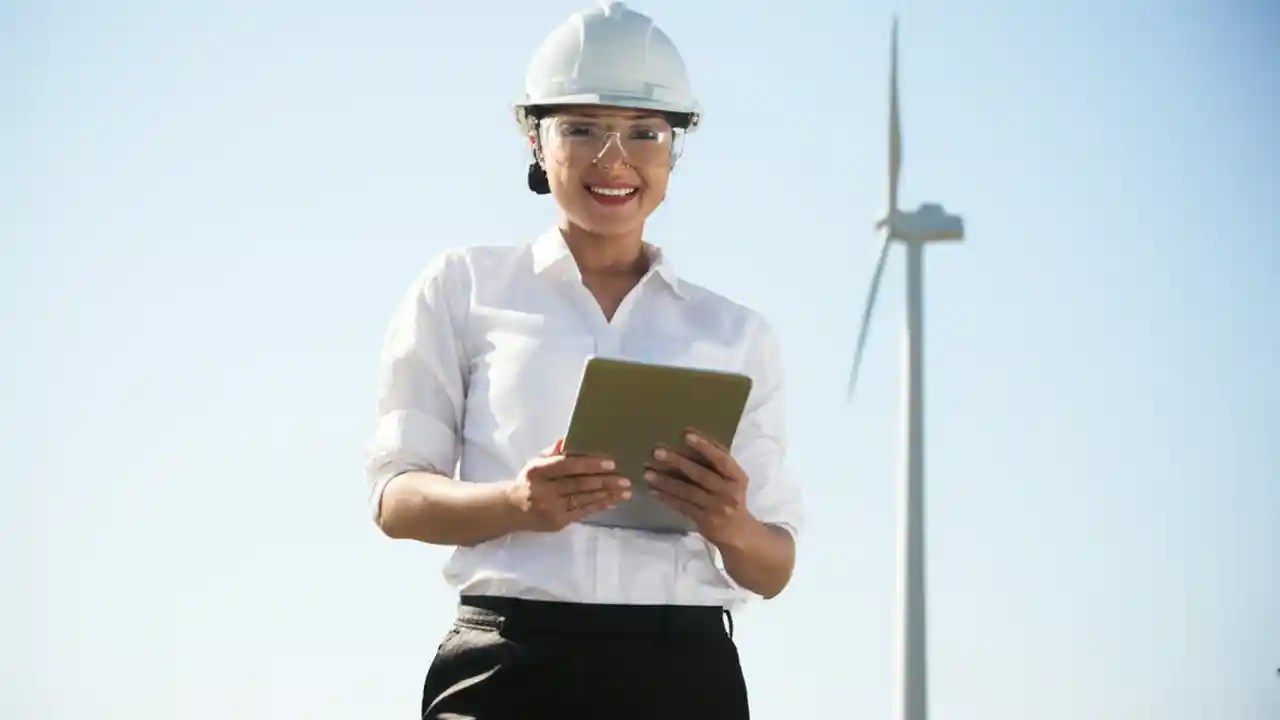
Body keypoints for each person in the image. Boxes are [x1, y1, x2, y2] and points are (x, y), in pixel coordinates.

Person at [365, 2, 803, 718]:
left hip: (681, 676)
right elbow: (396, 497)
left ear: (676, 146)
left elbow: (774, 565)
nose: (615, 159)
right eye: (582, 129)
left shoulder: (736, 334)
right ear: (534, 139)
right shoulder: (461, 289)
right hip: (507, 664)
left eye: (644, 132)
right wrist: (517, 504)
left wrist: (728, 521)